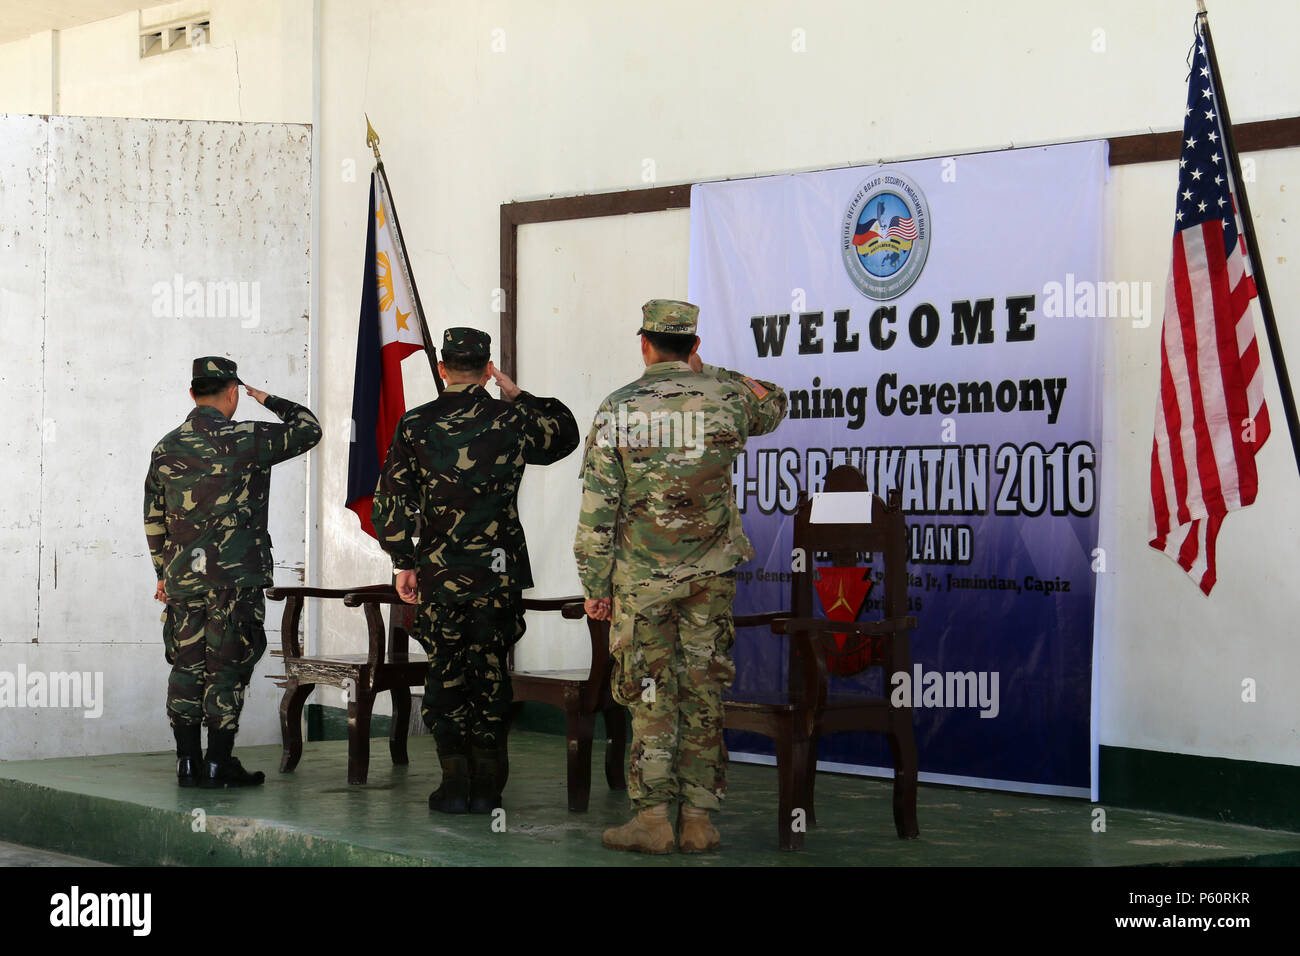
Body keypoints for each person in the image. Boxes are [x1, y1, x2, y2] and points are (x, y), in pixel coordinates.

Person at [574, 299, 788, 854]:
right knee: (703, 688)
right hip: (711, 576)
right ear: (693, 345)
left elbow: (599, 507)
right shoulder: (728, 398)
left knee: (649, 693)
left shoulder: (618, 407)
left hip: (641, 581)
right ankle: (698, 819)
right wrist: (711, 372)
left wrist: (595, 587)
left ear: (643, 343)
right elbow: (777, 400)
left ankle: (652, 821)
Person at [372, 328, 579, 814]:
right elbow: (563, 434)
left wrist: (403, 560)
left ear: (442, 368)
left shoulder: (416, 424)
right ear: (487, 368)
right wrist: (516, 393)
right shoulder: (512, 419)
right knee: (489, 672)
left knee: (446, 671)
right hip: (497, 571)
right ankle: (488, 787)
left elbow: (390, 501)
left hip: (439, 573)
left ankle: (453, 786)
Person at [144, 356, 322, 788]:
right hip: (234, 579)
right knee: (227, 668)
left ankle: (187, 763)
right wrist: (267, 399)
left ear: (192, 394)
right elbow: (309, 428)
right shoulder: (249, 437)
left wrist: (162, 574)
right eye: (239, 393)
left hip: (184, 578)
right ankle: (217, 763)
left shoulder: (166, 446)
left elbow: (154, 518)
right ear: (233, 392)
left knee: (186, 667)